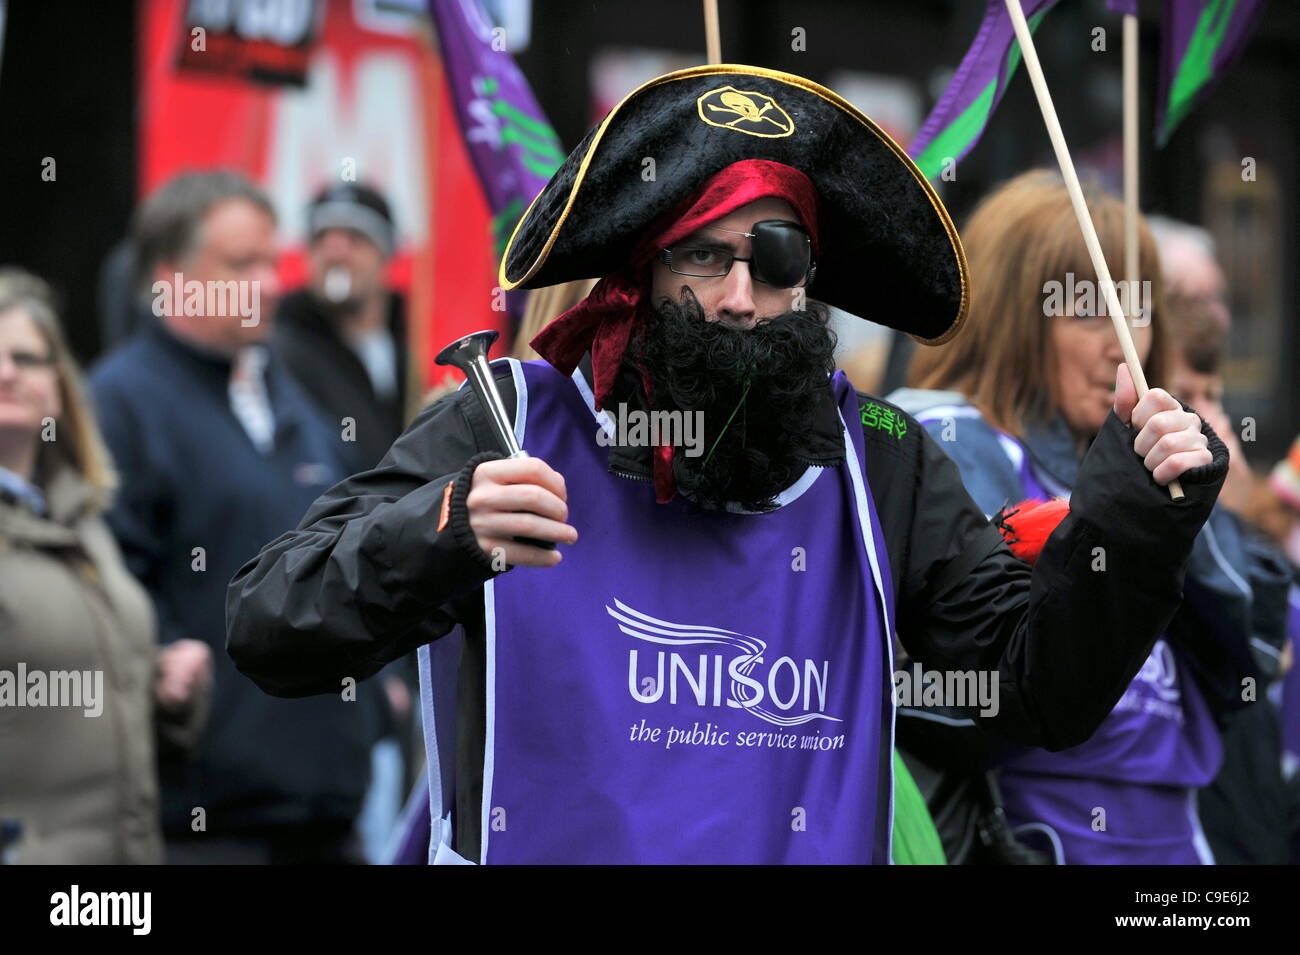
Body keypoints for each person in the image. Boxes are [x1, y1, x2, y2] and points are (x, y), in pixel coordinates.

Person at [227, 66, 1227, 864]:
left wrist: (1131, 523)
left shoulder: (877, 458)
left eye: (776, 258)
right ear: (640, 271)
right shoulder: (514, 421)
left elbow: (1031, 691)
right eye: (702, 257)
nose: (741, 294)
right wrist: (441, 528)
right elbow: (269, 621)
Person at [895, 170, 1282, 864]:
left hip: (1178, 843)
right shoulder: (943, 439)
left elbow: (1252, 655)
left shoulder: (1145, 448)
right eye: (1087, 311)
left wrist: (1181, 497)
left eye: (1137, 308)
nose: (1122, 341)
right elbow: (978, 680)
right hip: (1035, 832)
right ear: (1013, 317)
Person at [90, 171, 387, 864]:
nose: (269, 282)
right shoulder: (119, 405)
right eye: (240, 264)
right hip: (207, 826)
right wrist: (165, 662)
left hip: (330, 814)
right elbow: (105, 586)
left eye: (269, 261)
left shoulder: (290, 397)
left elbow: (355, 546)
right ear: (171, 276)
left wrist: (386, 689)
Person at [0, 268, 210, 863]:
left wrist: (163, 692)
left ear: (59, 386)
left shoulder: (86, 522)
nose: (8, 373)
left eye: (26, 357)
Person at [272, 183, 415, 473]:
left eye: (356, 237)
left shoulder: (419, 338)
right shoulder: (279, 348)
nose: (335, 253)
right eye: (321, 238)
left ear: (386, 254)